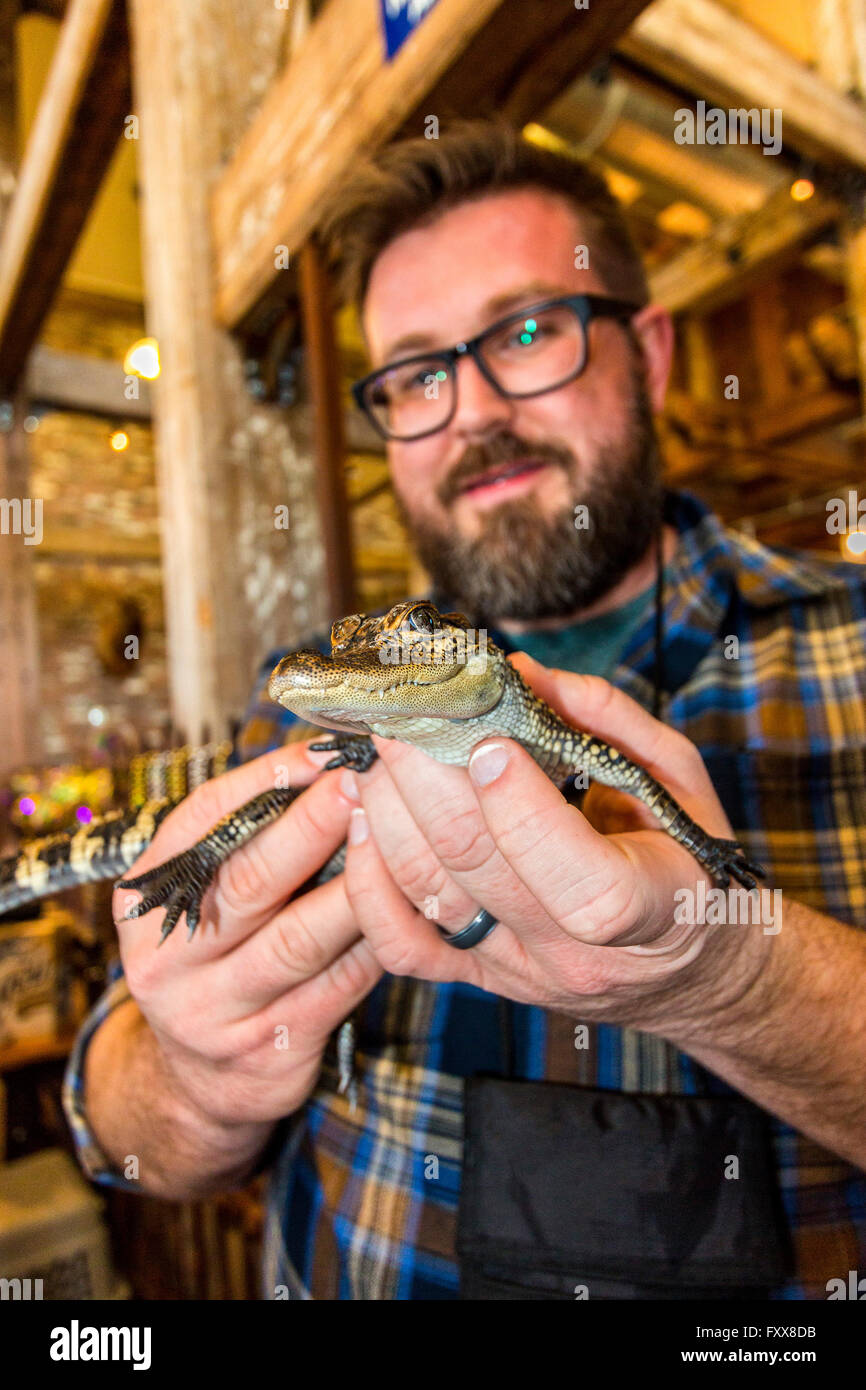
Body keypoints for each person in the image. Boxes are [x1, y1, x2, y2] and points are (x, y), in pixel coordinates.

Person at [64, 122, 866, 1300]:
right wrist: (192, 1078)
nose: (469, 410)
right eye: (412, 375)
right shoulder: (318, 698)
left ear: (645, 353)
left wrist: (739, 983)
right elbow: (115, 1130)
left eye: (528, 330)